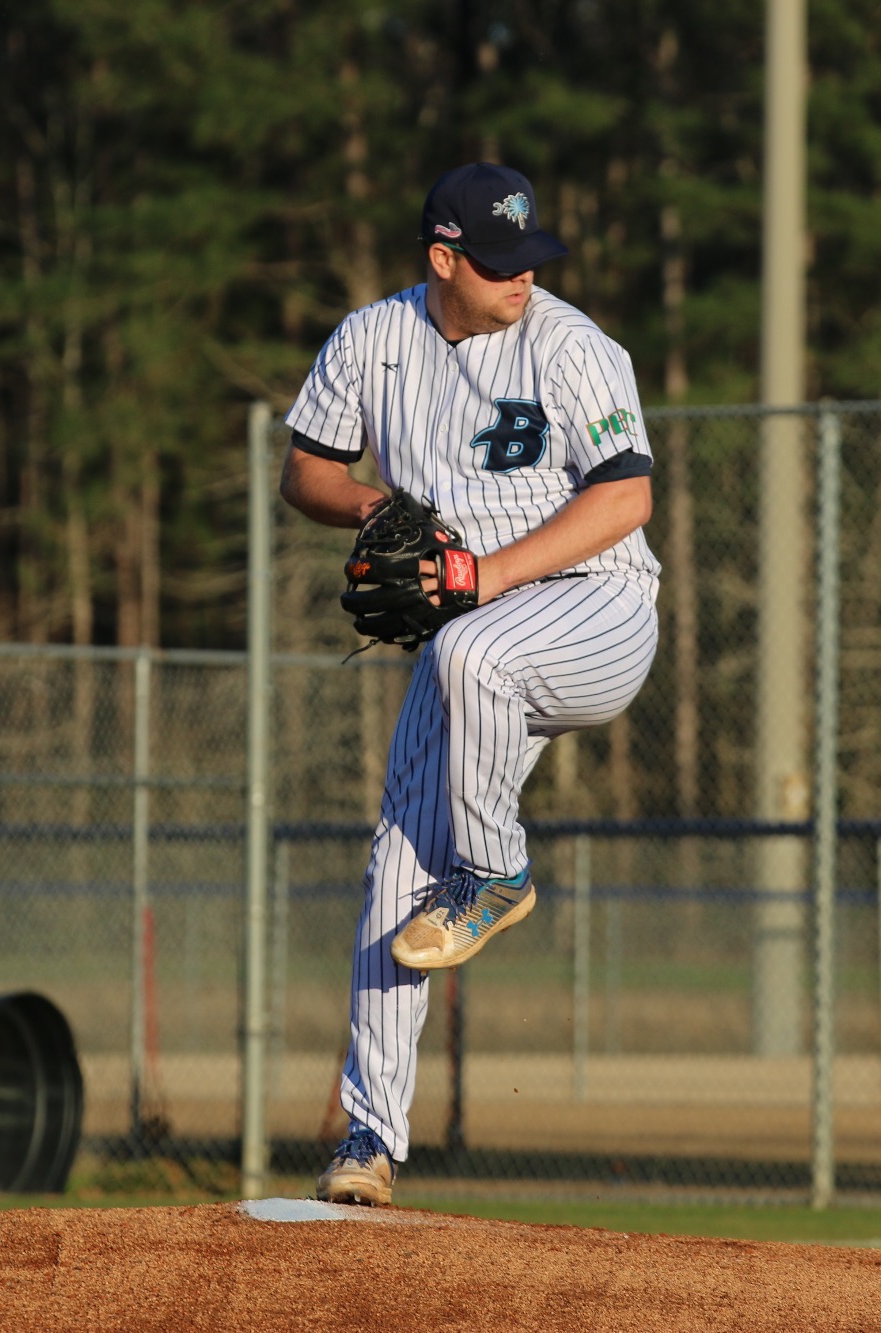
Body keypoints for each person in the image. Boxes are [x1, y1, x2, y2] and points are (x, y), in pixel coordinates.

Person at [278, 162, 660, 1205]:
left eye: (532, 259)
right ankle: (368, 1142)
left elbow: (627, 499)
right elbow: (304, 469)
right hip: (472, 641)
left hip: (596, 608)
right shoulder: (373, 339)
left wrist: (481, 576)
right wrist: (368, 510)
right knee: (395, 873)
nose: (521, 279)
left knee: (467, 650)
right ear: (442, 258)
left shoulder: (572, 347)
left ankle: (495, 875)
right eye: (498, 264)